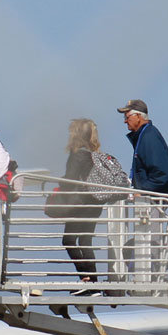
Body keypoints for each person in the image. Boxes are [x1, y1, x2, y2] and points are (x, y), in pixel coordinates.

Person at [117, 98, 168, 278]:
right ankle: (148, 275)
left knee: (150, 241)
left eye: (127, 116)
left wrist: (141, 191)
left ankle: (152, 276)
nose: (125, 121)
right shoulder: (145, 135)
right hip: (149, 200)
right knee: (142, 243)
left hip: (153, 200)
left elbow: (162, 174)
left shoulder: (149, 136)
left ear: (138, 116)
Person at [58, 118, 105, 284]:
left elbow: (71, 178)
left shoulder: (77, 154)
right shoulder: (94, 154)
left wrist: (59, 184)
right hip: (94, 203)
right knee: (85, 241)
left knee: (69, 240)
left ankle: (86, 278)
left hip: (80, 204)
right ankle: (92, 282)